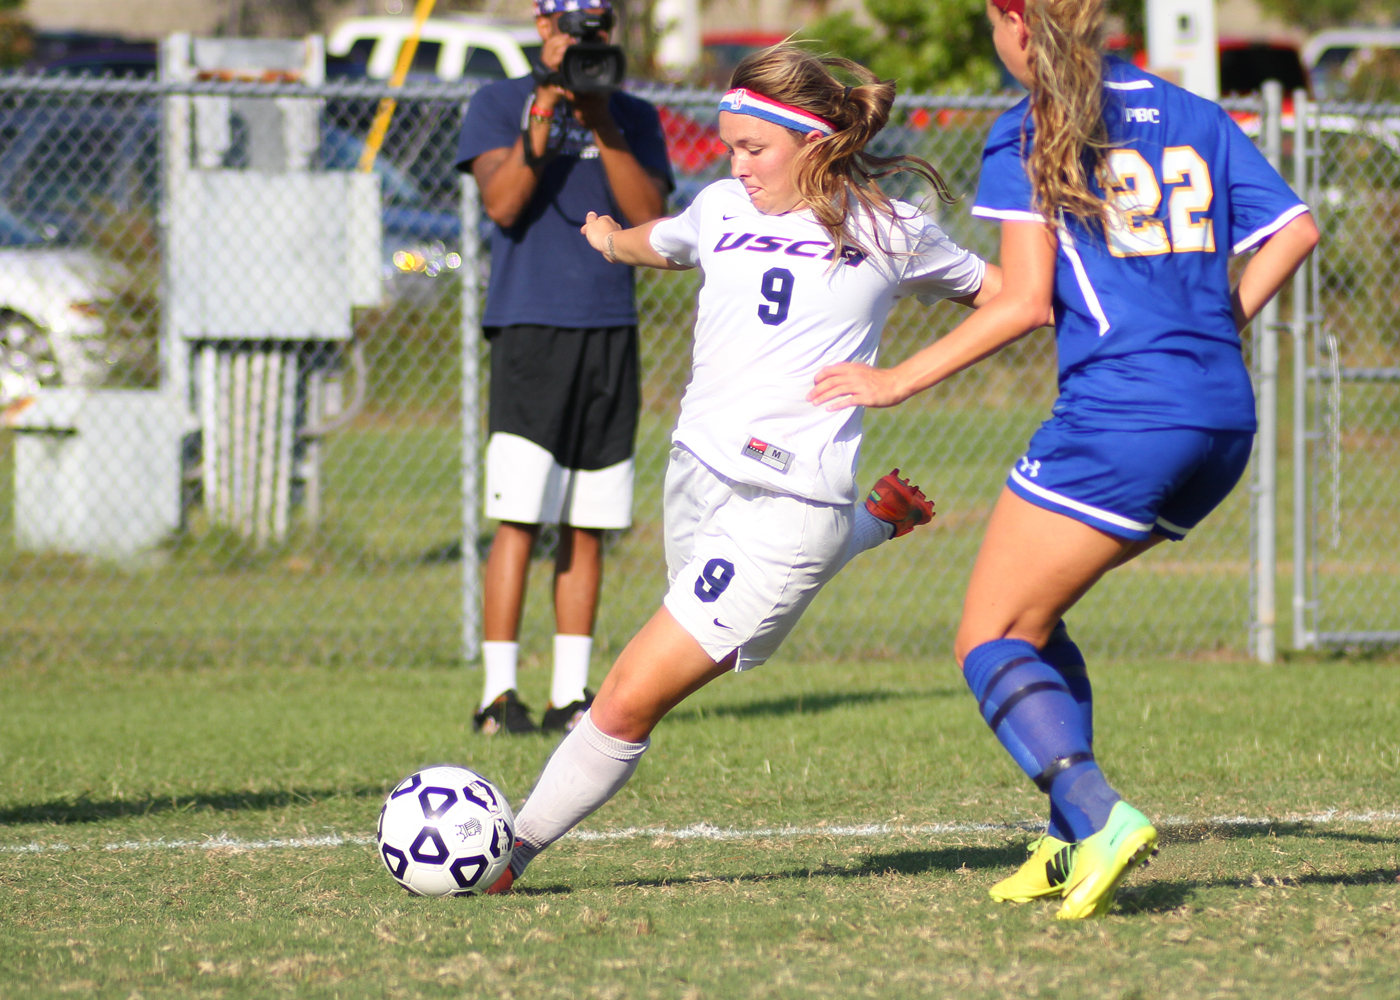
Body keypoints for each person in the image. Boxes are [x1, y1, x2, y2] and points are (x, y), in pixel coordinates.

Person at [811, 0, 1319, 919]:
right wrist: (1215, 329)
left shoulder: (1033, 126)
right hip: (1220, 416)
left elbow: (1021, 304)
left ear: (1016, 18)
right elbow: (1297, 231)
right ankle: (1062, 841)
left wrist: (893, 381)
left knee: (986, 638)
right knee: (1035, 618)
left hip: (1122, 414)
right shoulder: (1194, 112)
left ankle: (1099, 815)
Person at [485, 44, 999, 892]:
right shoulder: (724, 205)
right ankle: (872, 524)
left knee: (624, 696)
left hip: (786, 504)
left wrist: (903, 377)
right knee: (718, 650)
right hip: (699, 480)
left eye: (753, 148)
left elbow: (1014, 299)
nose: (735, 164)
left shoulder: (888, 229)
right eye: (728, 147)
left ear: (814, 143)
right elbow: (672, 241)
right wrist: (614, 241)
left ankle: (511, 851)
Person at [455, 0, 674, 735]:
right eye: (564, 25)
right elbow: (505, 203)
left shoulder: (633, 114)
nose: (580, 40)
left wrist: (603, 118)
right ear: (540, 29)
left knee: (590, 519)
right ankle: (497, 695)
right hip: (531, 327)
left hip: (609, 328)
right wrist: (547, 106)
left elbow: (649, 216)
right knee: (520, 513)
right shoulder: (498, 101)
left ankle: (571, 696)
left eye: (595, 27)